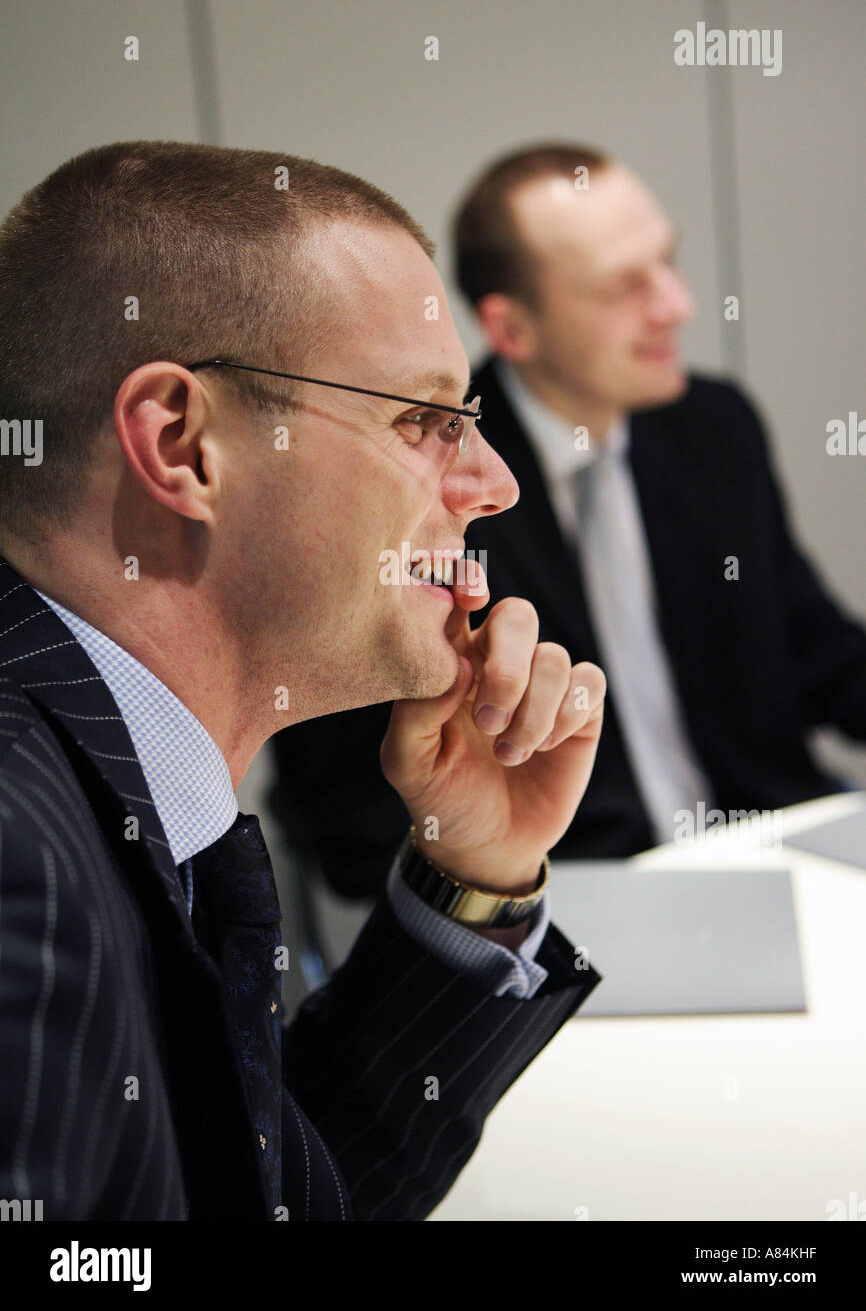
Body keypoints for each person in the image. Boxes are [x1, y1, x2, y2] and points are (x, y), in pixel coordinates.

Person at [0, 140, 605, 1222]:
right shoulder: (17, 867)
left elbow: (264, 1197)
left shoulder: (99, 771)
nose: (494, 483)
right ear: (183, 446)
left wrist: (475, 872)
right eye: (422, 419)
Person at [270, 142, 866, 897]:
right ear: (513, 329)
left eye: (667, 263)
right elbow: (347, 796)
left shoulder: (713, 428)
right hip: (565, 889)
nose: (676, 305)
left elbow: (816, 651)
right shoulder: (421, 477)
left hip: (761, 852)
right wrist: (491, 883)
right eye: (625, 287)